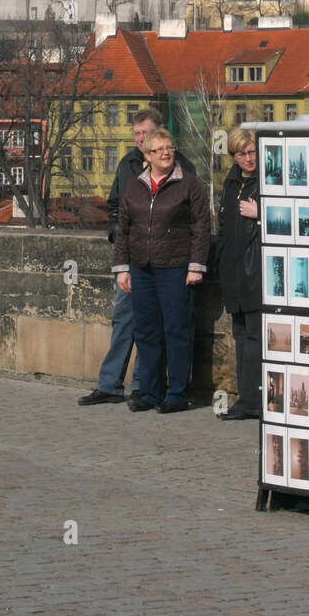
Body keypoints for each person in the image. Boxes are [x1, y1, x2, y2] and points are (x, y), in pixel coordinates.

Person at [78, 108, 196, 407]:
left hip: (170, 263)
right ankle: (112, 384)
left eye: (146, 134)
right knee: (129, 322)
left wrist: (194, 263)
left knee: (164, 327)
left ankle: (150, 389)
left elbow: (197, 221)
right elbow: (116, 206)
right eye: (137, 135)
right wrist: (118, 238)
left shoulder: (183, 169)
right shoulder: (128, 165)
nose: (140, 139)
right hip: (135, 261)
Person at [112, 127, 210, 414]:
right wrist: (122, 269)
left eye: (170, 148)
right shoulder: (135, 185)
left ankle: (177, 393)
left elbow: (201, 227)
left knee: (177, 331)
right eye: (159, 149)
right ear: (147, 156)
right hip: (142, 268)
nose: (166, 153)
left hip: (176, 269)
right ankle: (150, 391)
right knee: (146, 331)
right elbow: (124, 229)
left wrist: (196, 266)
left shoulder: (189, 184)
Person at [215, 128, 262, 420]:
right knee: (241, 337)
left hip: (256, 272)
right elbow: (223, 228)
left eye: (252, 152)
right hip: (234, 272)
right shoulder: (231, 183)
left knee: (256, 338)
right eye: (242, 153)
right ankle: (246, 399)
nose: (248, 158)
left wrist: (262, 212)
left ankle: (254, 401)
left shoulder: (268, 181)